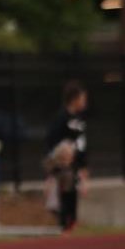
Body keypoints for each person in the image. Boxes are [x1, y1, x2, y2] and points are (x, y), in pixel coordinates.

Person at [45, 79, 89, 233]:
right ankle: (64, 223)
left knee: (73, 193)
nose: (84, 102)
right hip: (61, 165)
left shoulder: (79, 119)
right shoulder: (61, 118)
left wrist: (83, 166)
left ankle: (71, 222)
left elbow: (82, 143)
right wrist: (58, 161)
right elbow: (52, 141)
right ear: (74, 99)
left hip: (74, 164)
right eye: (83, 98)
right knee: (64, 192)